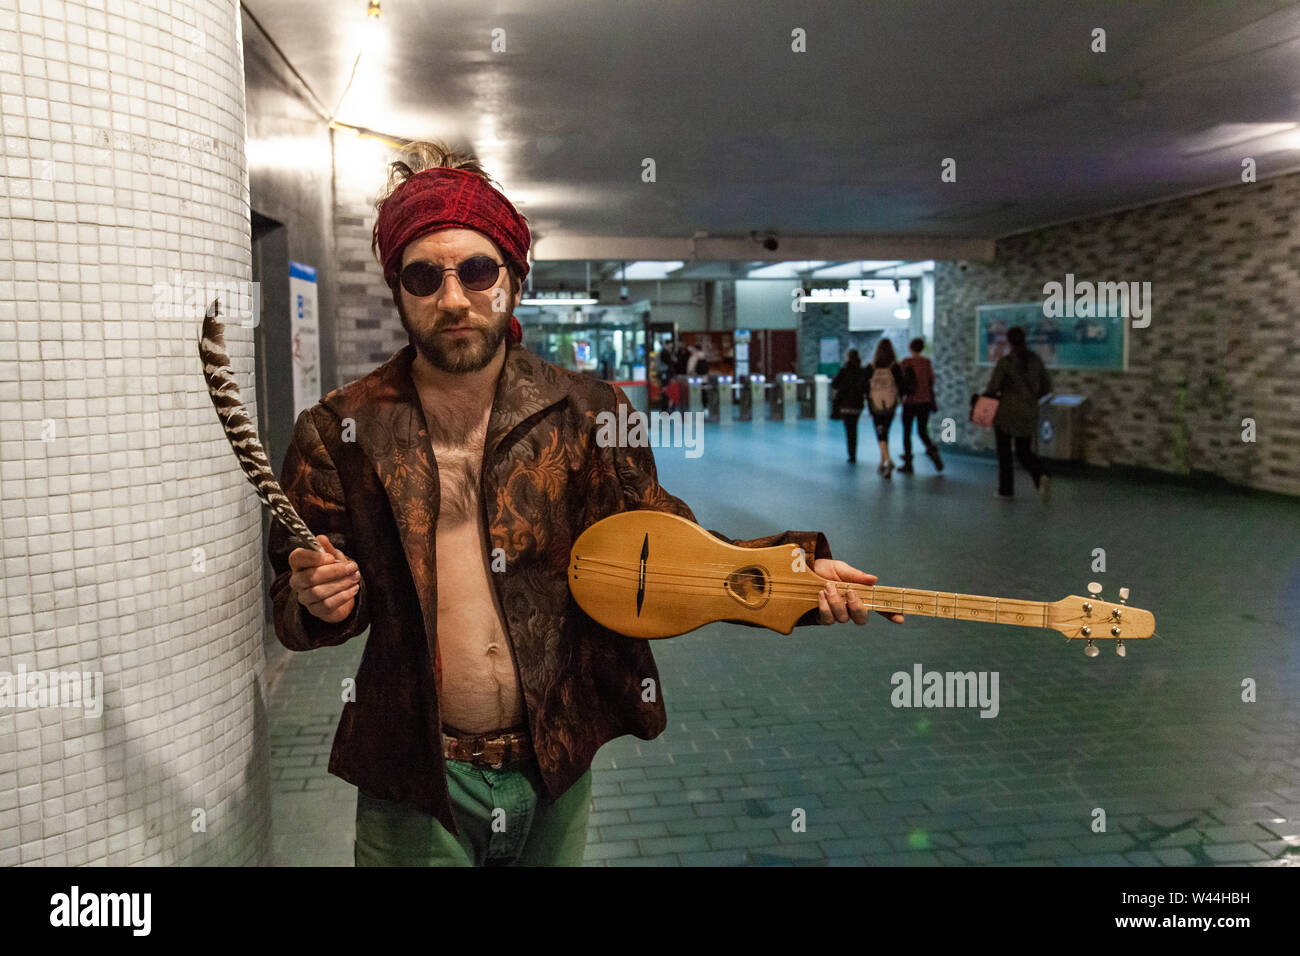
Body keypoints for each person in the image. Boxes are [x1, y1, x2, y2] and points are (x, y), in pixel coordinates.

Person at [268, 139, 903, 868]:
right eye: (423, 276)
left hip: (553, 764)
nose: (452, 299)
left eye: (478, 271)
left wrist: (798, 574)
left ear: (512, 280)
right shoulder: (342, 430)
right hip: (412, 777)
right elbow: (291, 601)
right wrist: (319, 601)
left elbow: (670, 543)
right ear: (398, 289)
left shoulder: (587, 411)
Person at [984, 325, 1052, 499]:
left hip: (1006, 413)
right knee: (1024, 451)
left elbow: (993, 387)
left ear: (1009, 342)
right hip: (1028, 412)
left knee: (1004, 453)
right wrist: (1031, 399)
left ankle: (1006, 490)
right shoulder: (1035, 360)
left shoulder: (1006, 362)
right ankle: (1040, 474)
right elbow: (1047, 387)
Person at [864, 338, 907, 479]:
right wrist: (900, 399)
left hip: (875, 404)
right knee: (885, 431)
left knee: (880, 431)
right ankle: (883, 463)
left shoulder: (871, 367)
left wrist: (868, 401)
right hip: (890, 404)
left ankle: (887, 460)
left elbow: (864, 387)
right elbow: (902, 385)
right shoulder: (895, 367)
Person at [899, 337, 943, 474]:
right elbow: (932, 382)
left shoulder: (906, 362)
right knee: (922, 431)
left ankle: (908, 463)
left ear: (910, 348)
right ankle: (933, 452)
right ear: (922, 348)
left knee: (907, 432)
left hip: (910, 402)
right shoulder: (926, 362)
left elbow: (901, 382)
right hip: (925, 402)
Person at [830, 349, 867, 463]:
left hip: (845, 404)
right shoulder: (862, 371)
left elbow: (834, 385)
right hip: (857, 405)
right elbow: (866, 388)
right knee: (854, 428)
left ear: (848, 358)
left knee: (849, 429)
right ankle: (853, 452)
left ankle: (851, 455)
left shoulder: (844, 370)